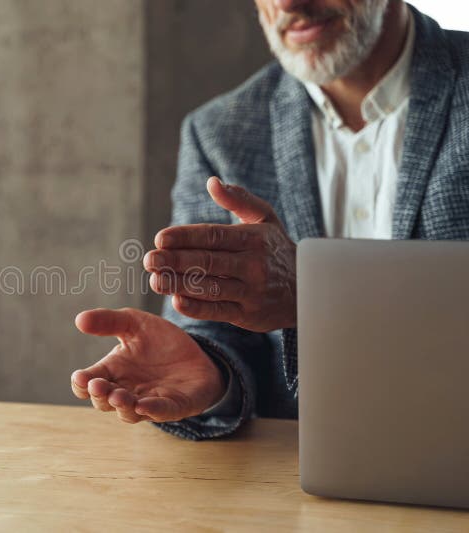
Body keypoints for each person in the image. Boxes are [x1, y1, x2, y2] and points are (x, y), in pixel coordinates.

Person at [70, 0, 469, 440]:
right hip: (295, 482)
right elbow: (215, 326)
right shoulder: (219, 132)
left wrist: (320, 293)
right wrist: (213, 370)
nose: (290, 4)